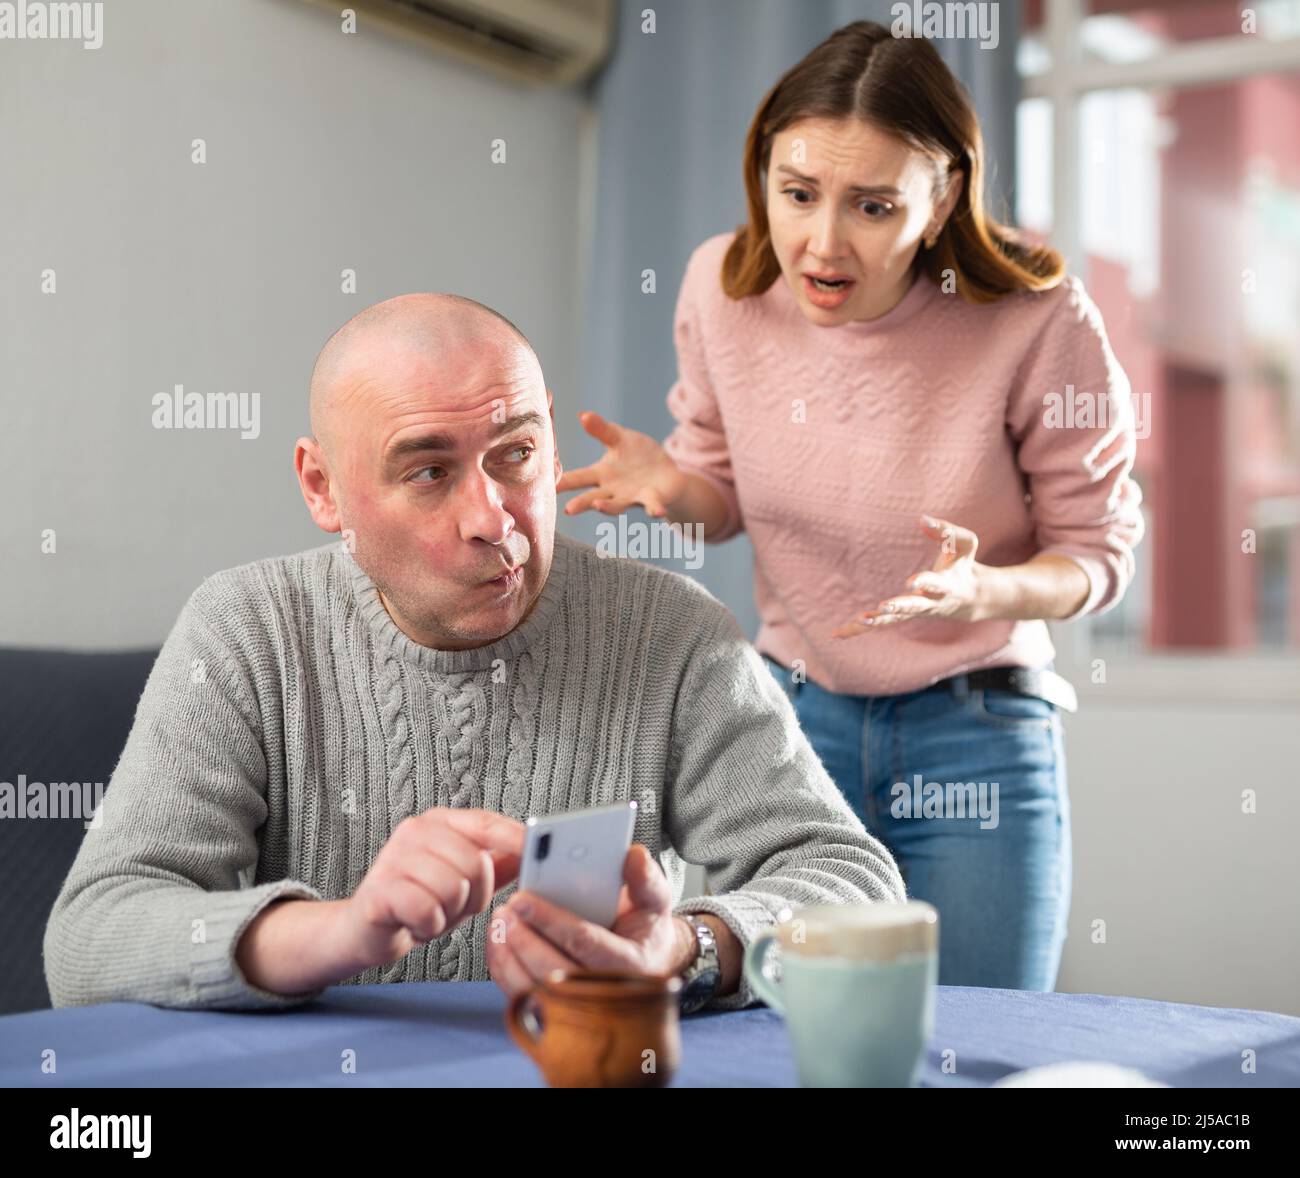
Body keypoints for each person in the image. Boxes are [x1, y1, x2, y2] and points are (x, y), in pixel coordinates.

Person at [42, 292, 905, 1014]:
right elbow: (90, 938)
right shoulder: (244, 631)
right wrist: (341, 932)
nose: (493, 519)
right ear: (322, 488)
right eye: (427, 472)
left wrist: (680, 947)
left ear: (554, 444)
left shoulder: (672, 635)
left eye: (516, 454)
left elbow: (853, 880)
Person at [557, 20, 1145, 991]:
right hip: (790, 718)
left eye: (872, 206)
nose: (821, 243)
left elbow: (1095, 554)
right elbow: (723, 499)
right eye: (795, 194)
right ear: (761, 173)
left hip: (975, 732)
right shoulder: (721, 287)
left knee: (978, 1039)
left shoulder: (1037, 317)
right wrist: (672, 487)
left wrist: (983, 588)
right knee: (782, 1026)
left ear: (943, 193)